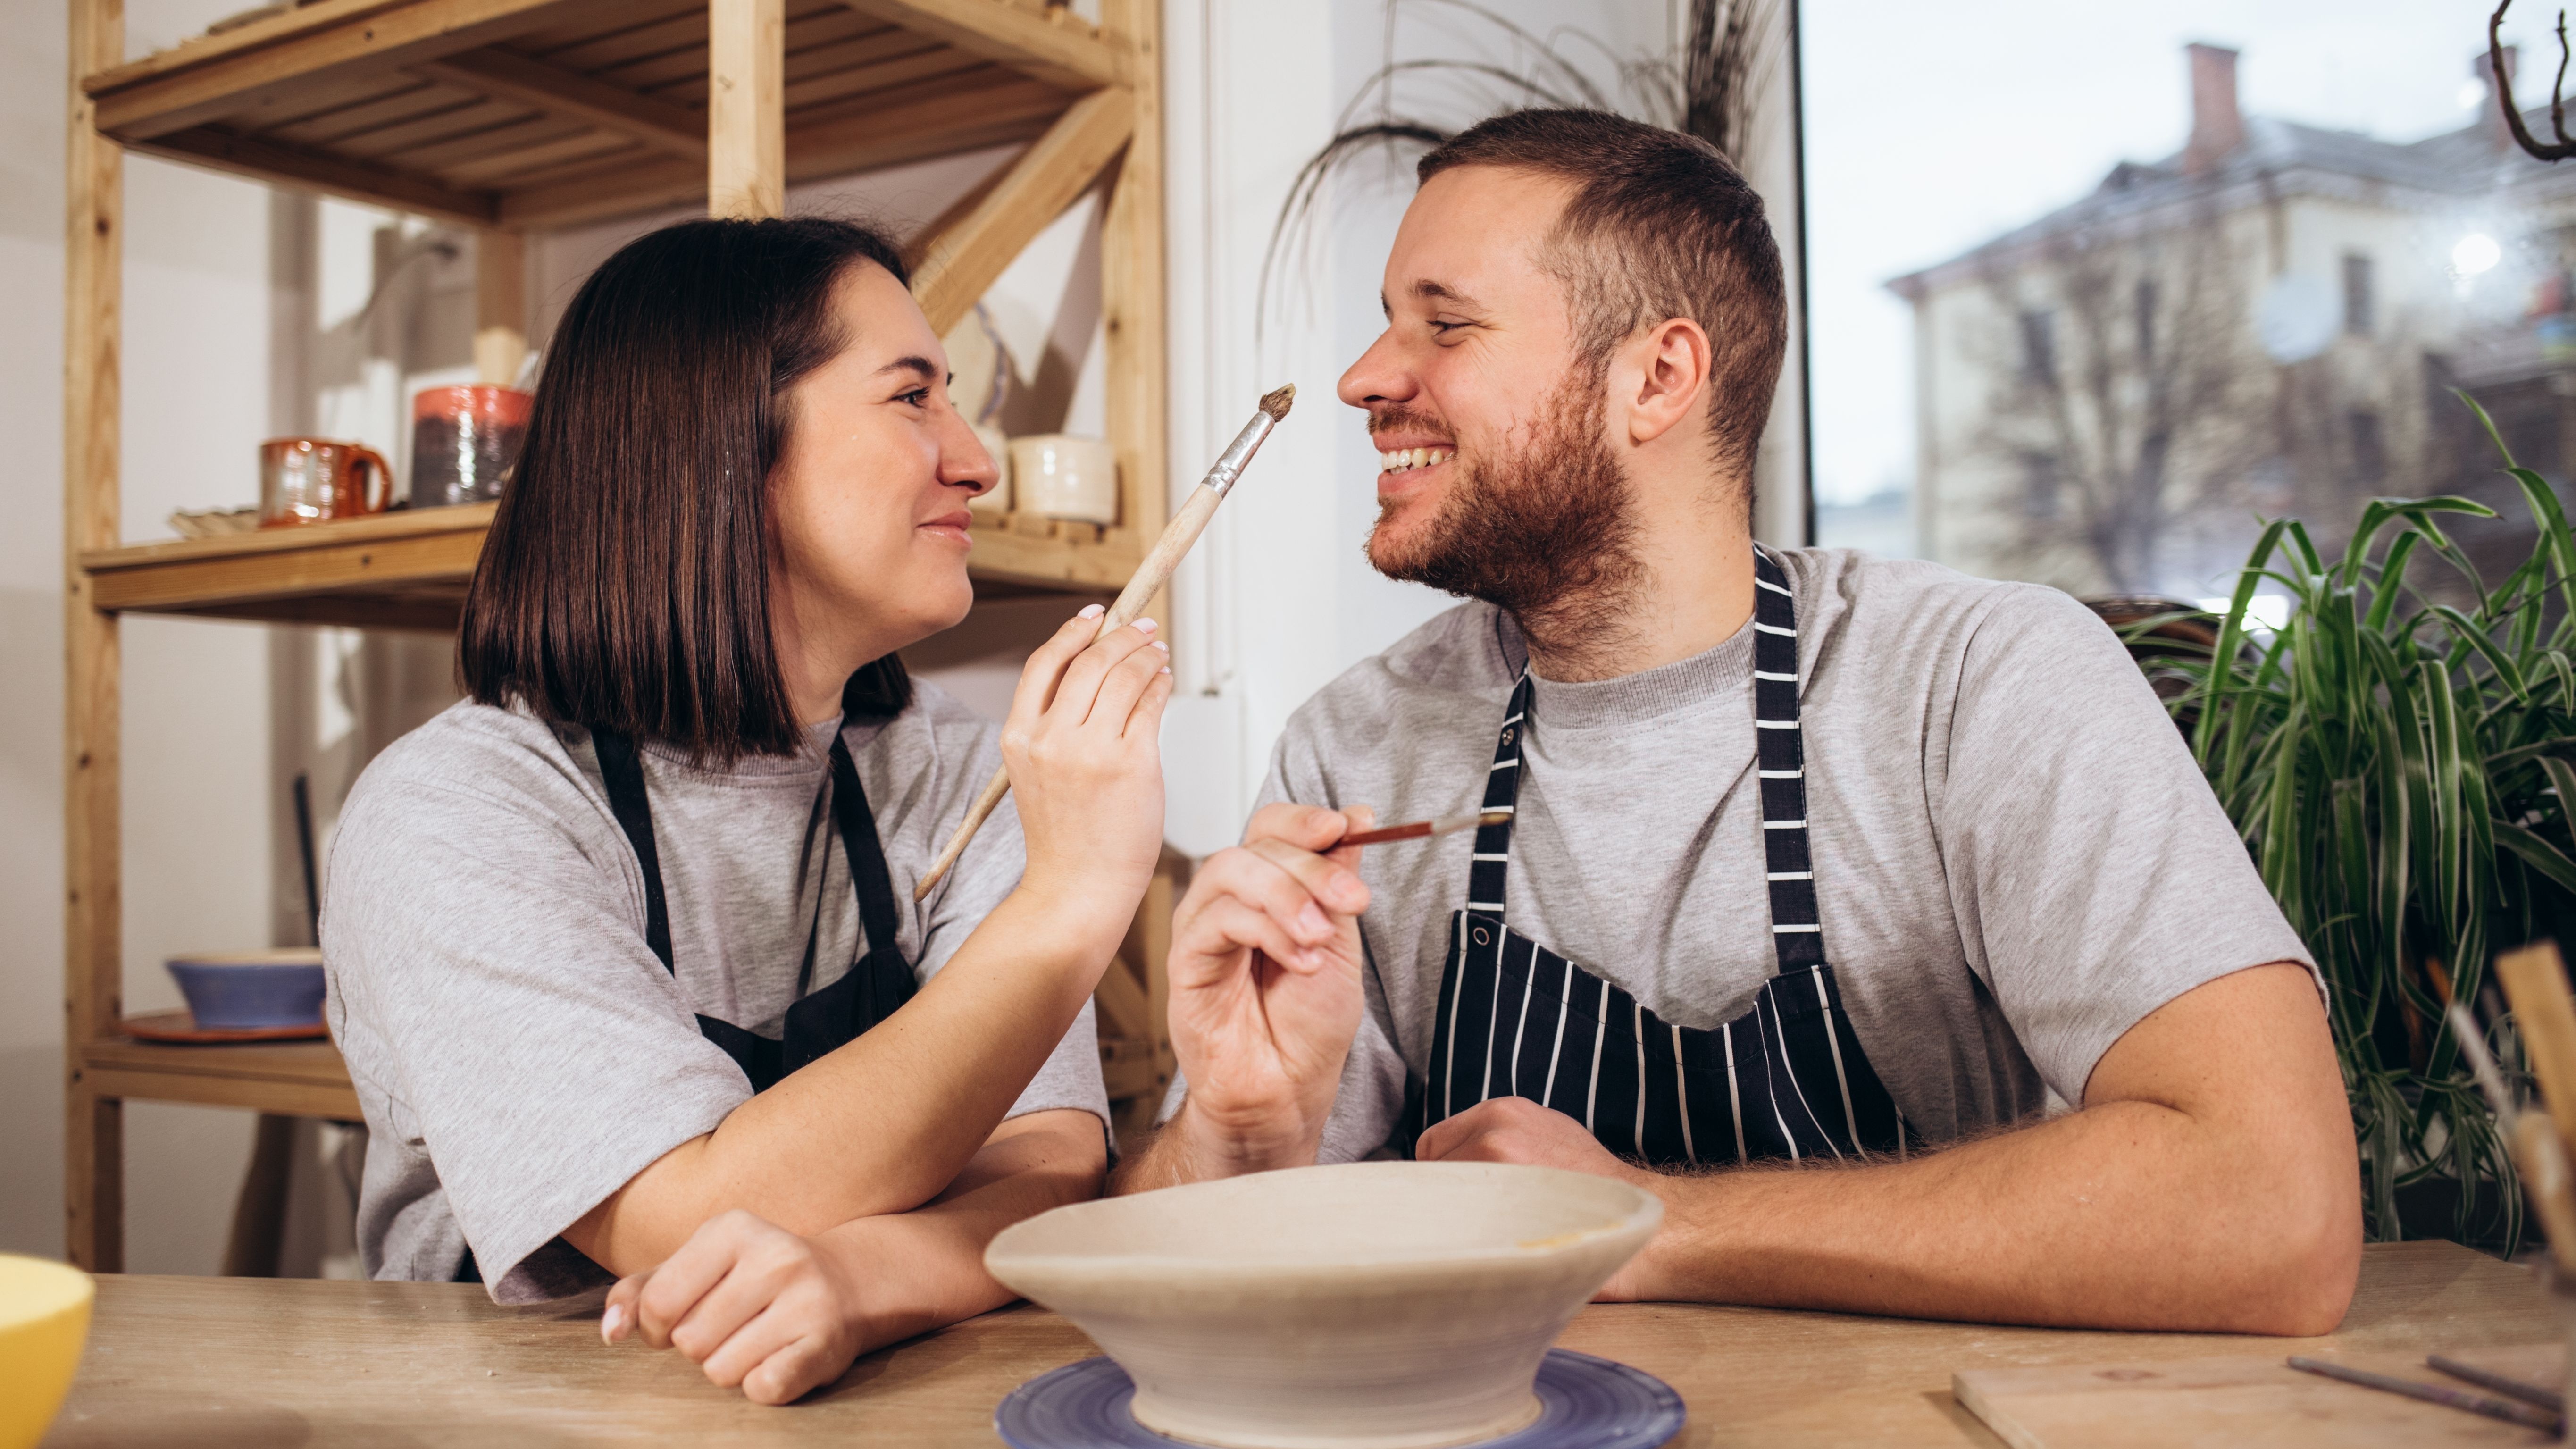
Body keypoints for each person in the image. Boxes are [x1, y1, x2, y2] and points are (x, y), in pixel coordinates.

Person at [1114, 109, 2362, 1336]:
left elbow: (2270, 1207)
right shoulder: (1359, 748)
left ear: (1658, 376)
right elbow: (1195, 1289)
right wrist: (1231, 1139)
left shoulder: (1974, 683)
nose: (1364, 379)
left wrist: (1644, 1225)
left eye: (1443, 325)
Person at [325, 217, 1173, 1403]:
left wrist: (876, 1273)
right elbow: (683, 1218)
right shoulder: (460, 812)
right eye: (912, 398)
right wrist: (1072, 901)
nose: (975, 460)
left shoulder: (953, 769)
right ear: (723, 447)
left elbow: (1050, 1151)